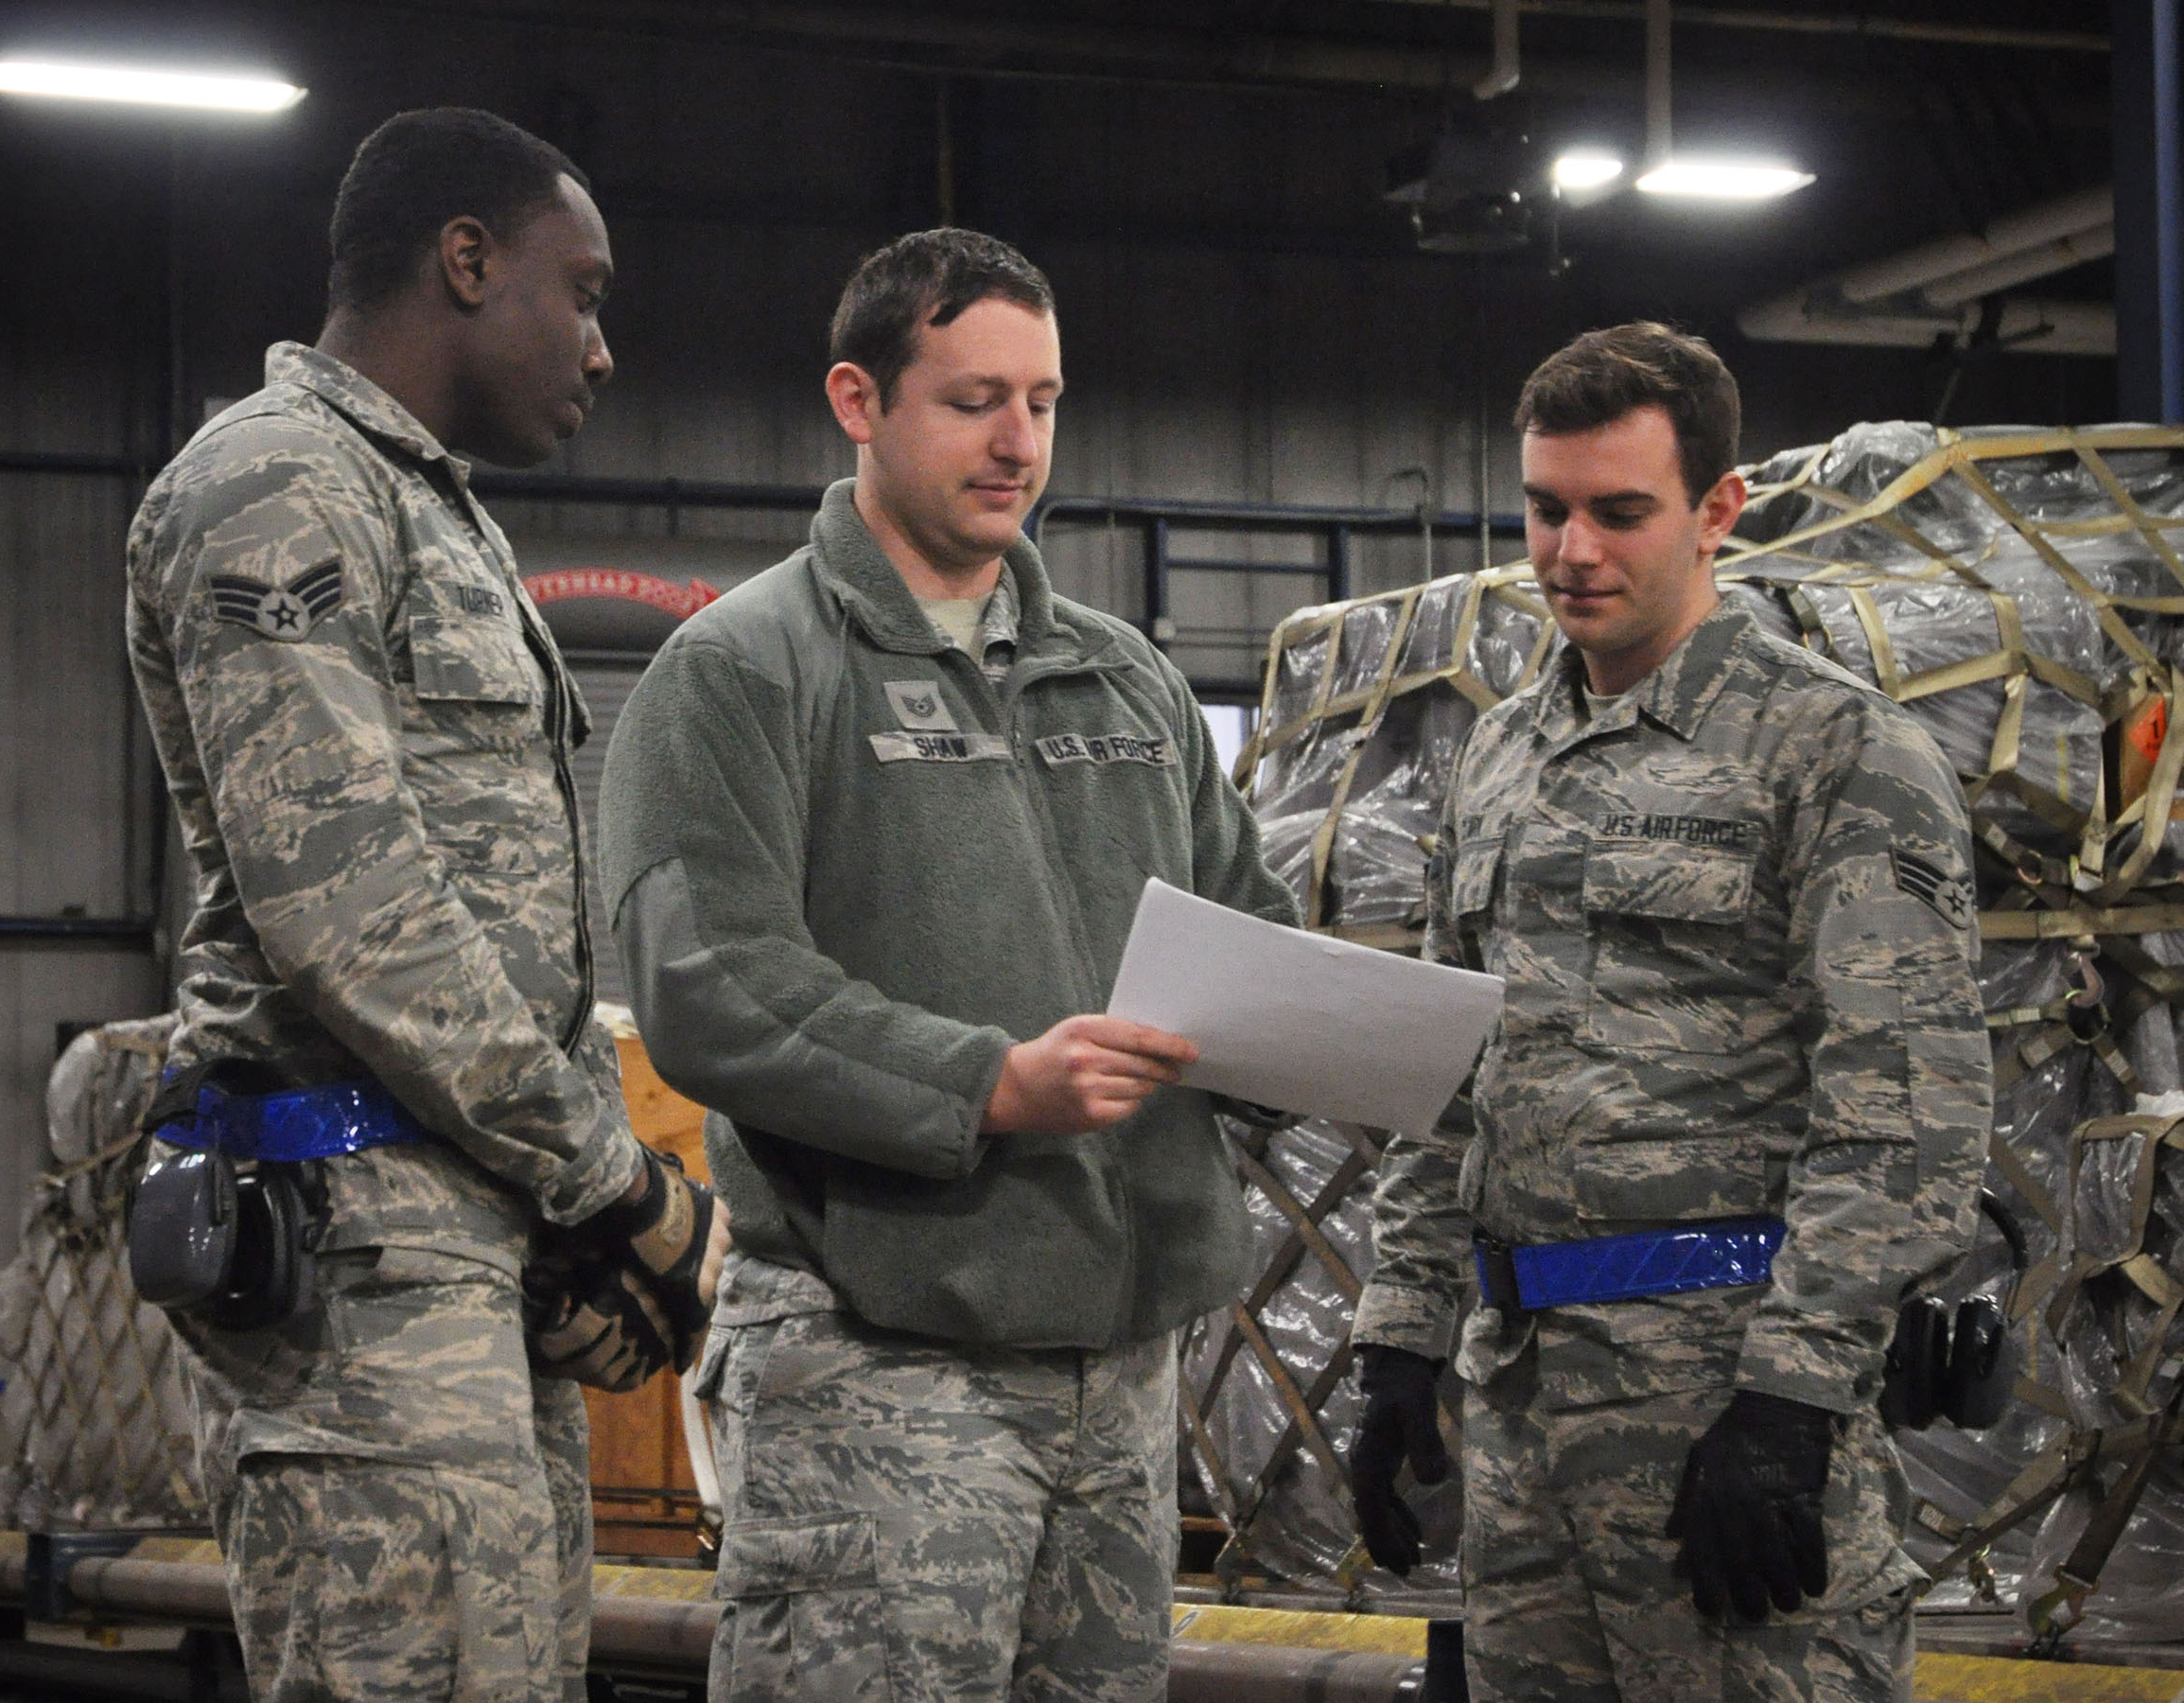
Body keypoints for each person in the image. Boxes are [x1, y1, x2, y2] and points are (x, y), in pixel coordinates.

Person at [598, 227, 1300, 1702]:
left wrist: (1331, 1034)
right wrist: (987, 1085)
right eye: (975, 399)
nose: (1019, 442)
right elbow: (709, 983)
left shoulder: (1124, 675)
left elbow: (1239, 925)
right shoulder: (744, 670)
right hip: (883, 1360)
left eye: (1043, 401)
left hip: (1120, 1374)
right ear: (859, 400)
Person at [125, 108, 716, 1703]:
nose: (599, 348)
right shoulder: (275, 485)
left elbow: (493, 932)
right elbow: (354, 914)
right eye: (579, 293)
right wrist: (619, 1188)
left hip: (458, 1264)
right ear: (467, 261)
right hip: (363, 1283)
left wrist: (551, 1238)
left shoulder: (428, 509)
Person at [1346, 323, 1992, 1701]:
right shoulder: (1501, 757)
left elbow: (1908, 1110)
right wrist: (1398, 1338)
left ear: (1717, 511)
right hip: (1520, 1418)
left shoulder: (1838, 753)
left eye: (1619, 513)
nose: (1572, 552)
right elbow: (1446, 1071)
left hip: (1721, 1399)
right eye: (1545, 509)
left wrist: (1792, 1400)